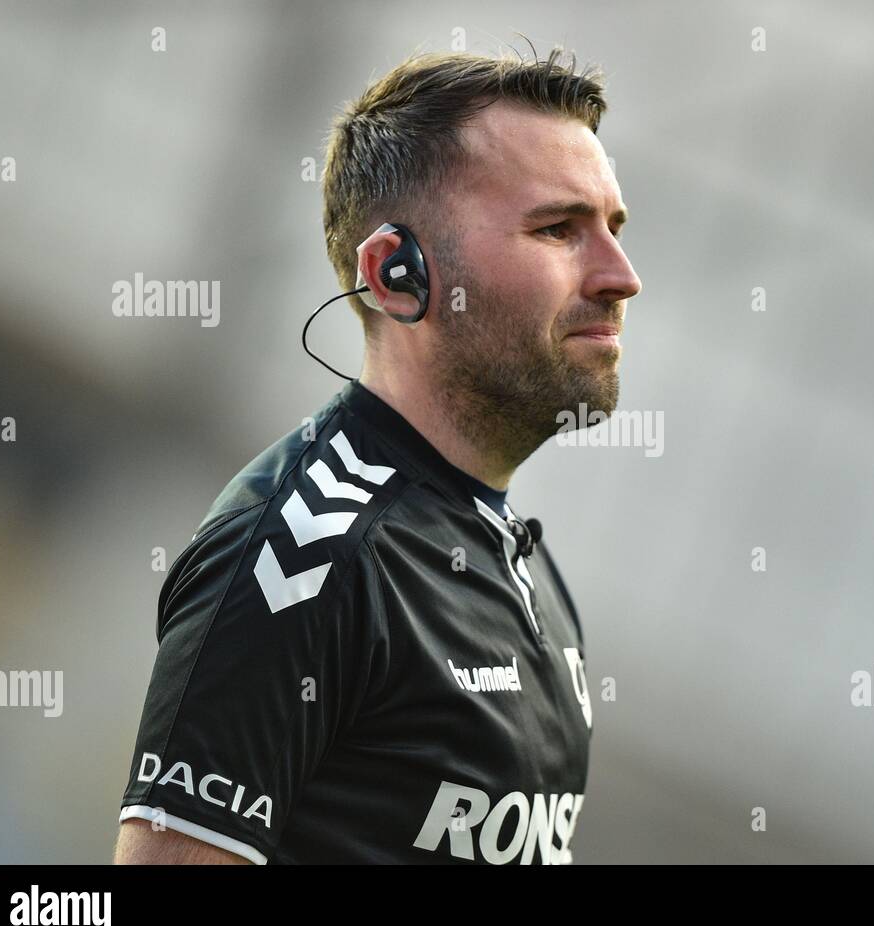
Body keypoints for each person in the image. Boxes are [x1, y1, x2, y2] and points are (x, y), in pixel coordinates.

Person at [112, 44, 641, 864]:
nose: (620, 275)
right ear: (397, 274)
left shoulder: (519, 563)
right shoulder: (304, 560)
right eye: (559, 229)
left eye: (612, 227)